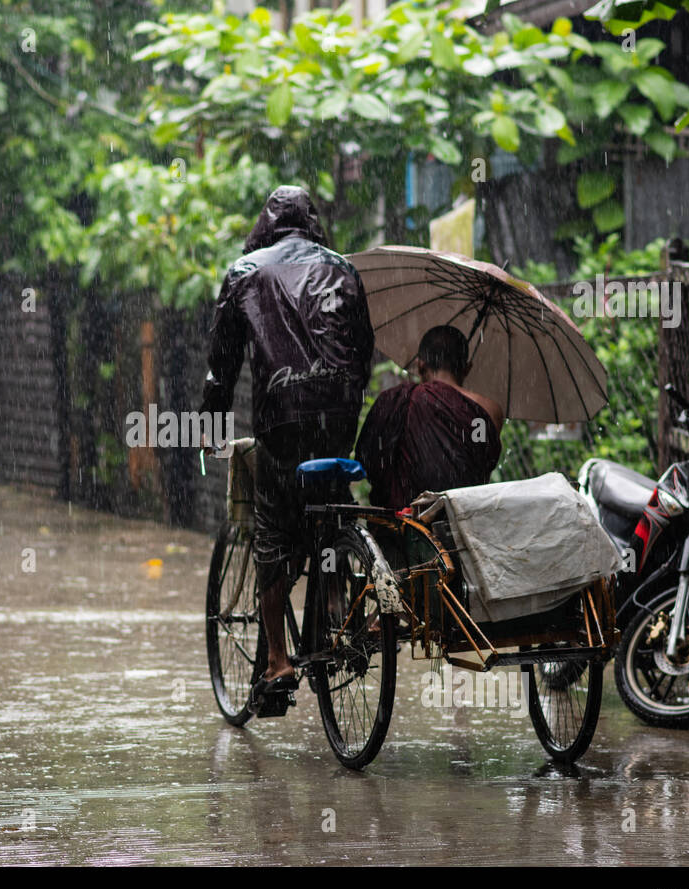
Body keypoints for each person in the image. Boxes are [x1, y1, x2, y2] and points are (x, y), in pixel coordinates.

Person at [200, 185, 373, 699]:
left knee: (272, 532)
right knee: (333, 507)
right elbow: (363, 351)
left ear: (265, 224)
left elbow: (221, 368)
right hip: (339, 416)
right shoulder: (344, 269)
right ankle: (339, 602)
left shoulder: (246, 272)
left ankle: (277, 662)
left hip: (283, 421)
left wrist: (212, 426)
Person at [355, 325, 503, 513]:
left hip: (404, 521)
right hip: (462, 517)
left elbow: (369, 460)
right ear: (467, 368)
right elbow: (480, 465)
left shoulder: (397, 400)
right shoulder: (488, 410)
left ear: (420, 364)